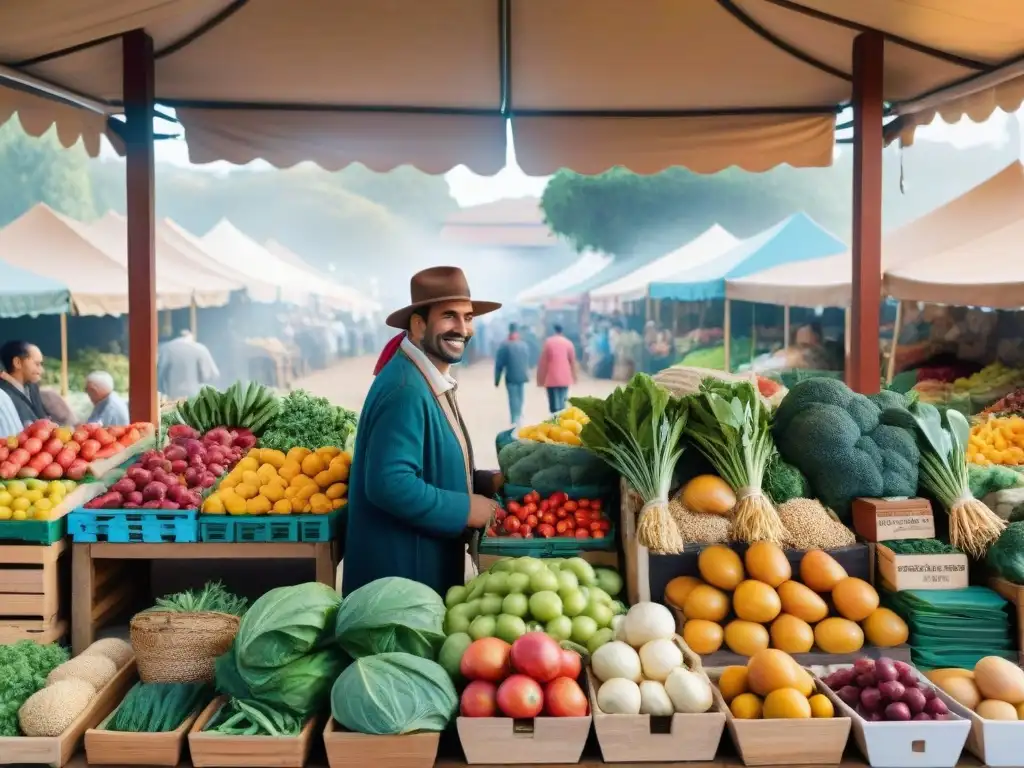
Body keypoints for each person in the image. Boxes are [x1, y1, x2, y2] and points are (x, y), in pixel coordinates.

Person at [342, 266, 502, 597]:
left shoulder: (422, 376)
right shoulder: (406, 389)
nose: (463, 328)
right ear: (418, 325)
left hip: (415, 571)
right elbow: (391, 484)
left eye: (468, 317)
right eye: (449, 317)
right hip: (401, 579)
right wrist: (467, 509)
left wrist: (486, 481)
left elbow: (430, 463)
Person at [157, 329, 220, 400]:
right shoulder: (200, 349)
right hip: (193, 397)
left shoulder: (165, 349)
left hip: (171, 397)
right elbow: (212, 375)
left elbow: (158, 376)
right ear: (191, 334)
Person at [0, 340, 48, 425]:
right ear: (17, 363)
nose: (42, 370)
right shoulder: (3, 395)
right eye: (37, 364)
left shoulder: (32, 387)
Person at [494, 323, 531, 427]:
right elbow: (527, 361)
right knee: (520, 397)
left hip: (511, 376)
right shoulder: (524, 345)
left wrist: (497, 380)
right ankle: (519, 417)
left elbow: (499, 365)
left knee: (513, 398)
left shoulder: (505, 345)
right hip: (522, 376)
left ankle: (515, 419)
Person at [536, 324, 578, 416]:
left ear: (554, 331)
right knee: (563, 401)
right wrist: (574, 377)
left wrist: (540, 380)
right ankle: (561, 420)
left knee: (554, 403)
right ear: (562, 331)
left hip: (552, 378)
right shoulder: (568, 343)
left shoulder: (548, 342)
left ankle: (555, 419)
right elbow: (572, 362)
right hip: (565, 378)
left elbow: (543, 363)